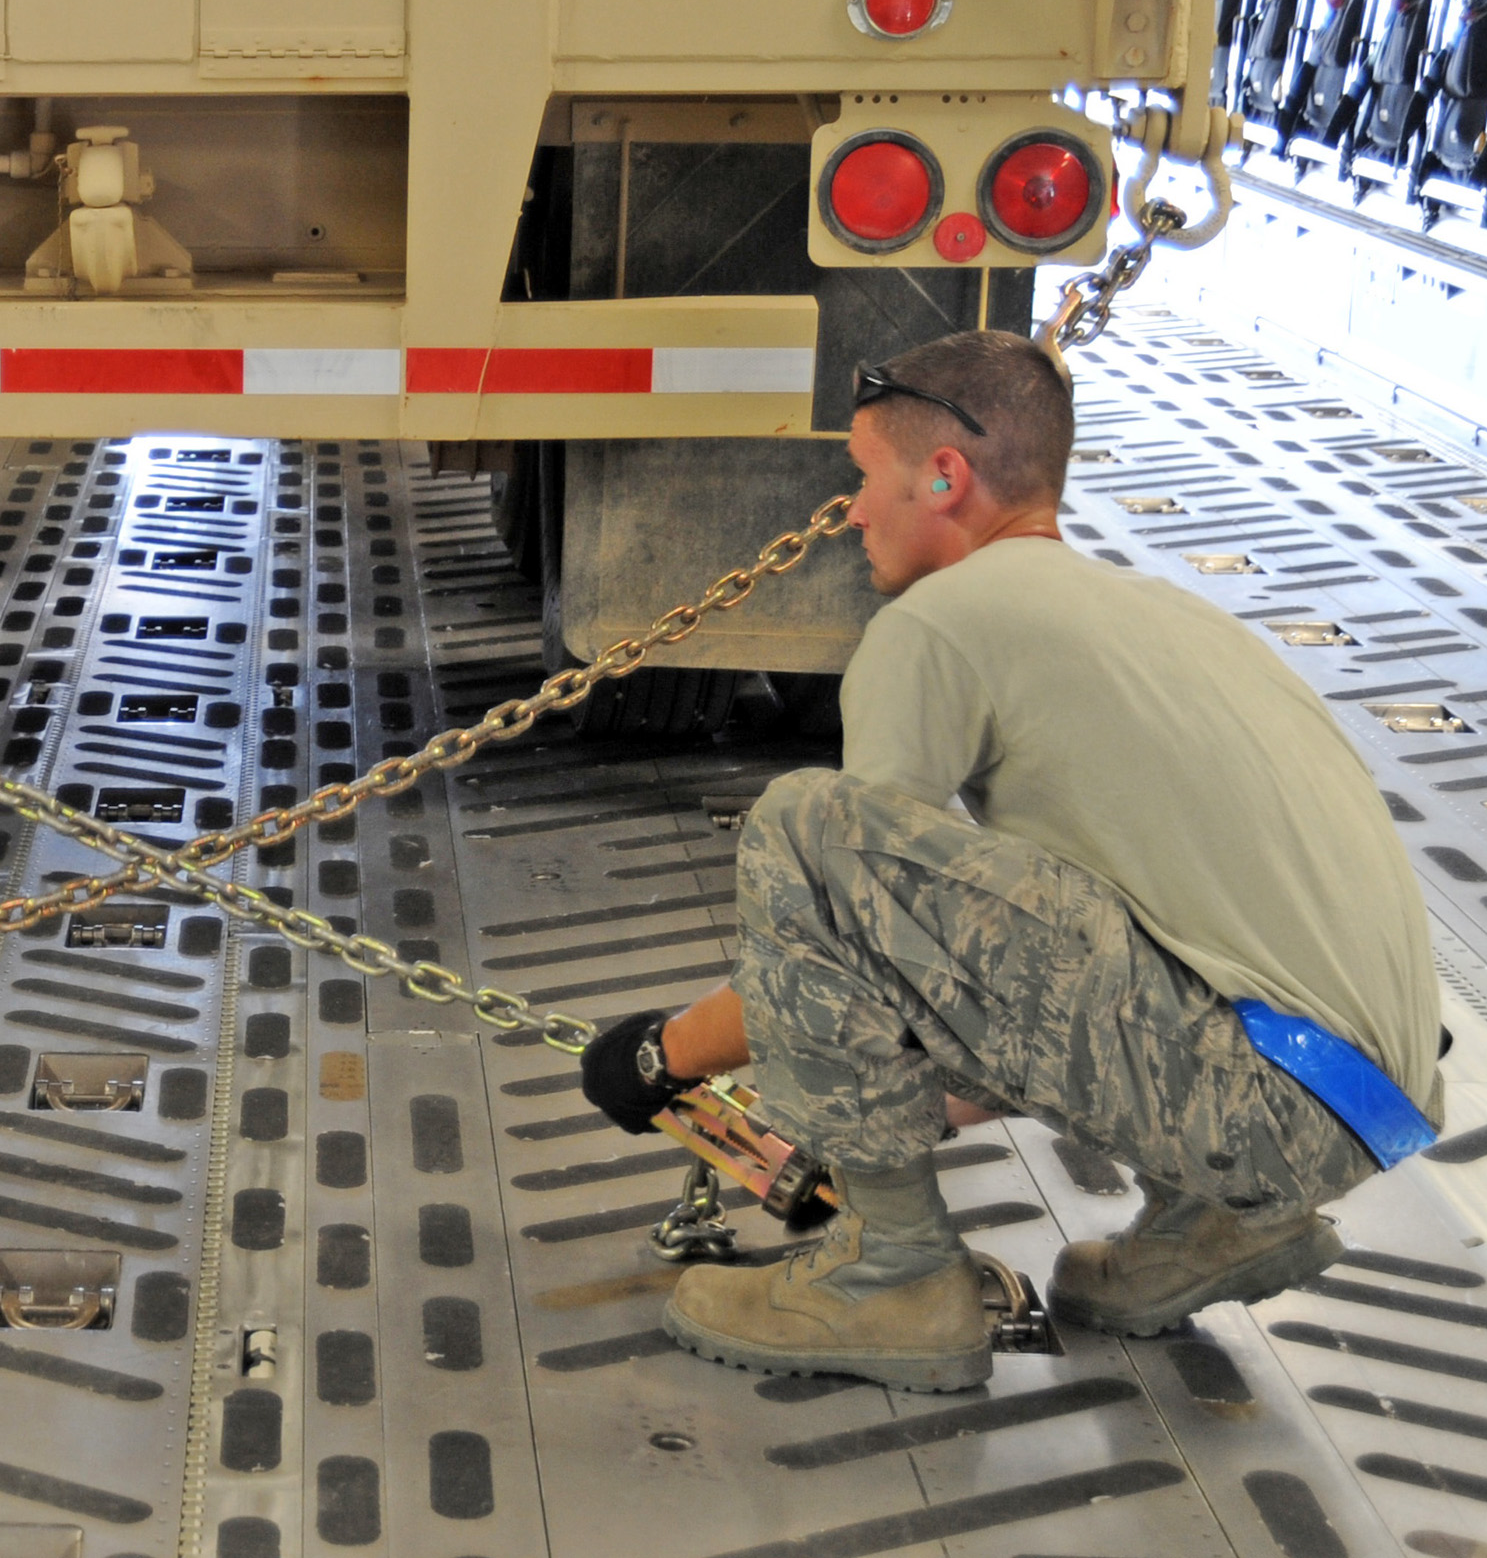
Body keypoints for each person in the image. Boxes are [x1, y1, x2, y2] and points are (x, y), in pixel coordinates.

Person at [577, 329, 1443, 1392]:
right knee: (1042, 914)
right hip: (1363, 1103)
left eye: (862, 478)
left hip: (1253, 1099)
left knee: (807, 826)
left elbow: (849, 935)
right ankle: (1206, 1223)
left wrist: (662, 1053)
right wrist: (902, 1080)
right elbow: (1016, 968)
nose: (849, 512)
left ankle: (890, 1276)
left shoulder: (939, 622)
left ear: (944, 477)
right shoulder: (1162, 616)